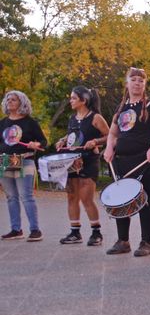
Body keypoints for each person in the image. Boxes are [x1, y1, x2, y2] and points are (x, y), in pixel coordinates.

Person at [103, 67, 150, 257]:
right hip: (122, 162)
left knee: (144, 202)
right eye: (134, 79)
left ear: (144, 84)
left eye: (141, 80)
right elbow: (113, 133)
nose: (137, 83)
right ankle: (123, 241)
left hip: (145, 163)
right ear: (127, 83)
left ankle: (146, 243)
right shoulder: (121, 108)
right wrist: (109, 148)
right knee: (120, 202)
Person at [55, 86, 109, 246]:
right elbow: (74, 134)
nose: (70, 101)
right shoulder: (72, 118)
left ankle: (96, 232)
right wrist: (63, 140)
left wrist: (96, 142)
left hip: (89, 161)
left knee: (86, 198)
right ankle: (75, 232)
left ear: (83, 100)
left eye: (73, 98)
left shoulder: (96, 118)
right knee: (71, 196)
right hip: (72, 162)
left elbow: (110, 135)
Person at [0, 90, 46, 241]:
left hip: (25, 159)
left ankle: (35, 230)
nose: (9, 102)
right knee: (11, 197)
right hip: (6, 160)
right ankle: (16, 229)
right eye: (8, 100)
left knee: (26, 196)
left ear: (22, 102)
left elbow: (44, 142)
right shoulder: (3, 123)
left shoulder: (30, 122)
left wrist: (36, 144)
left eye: (13, 99)